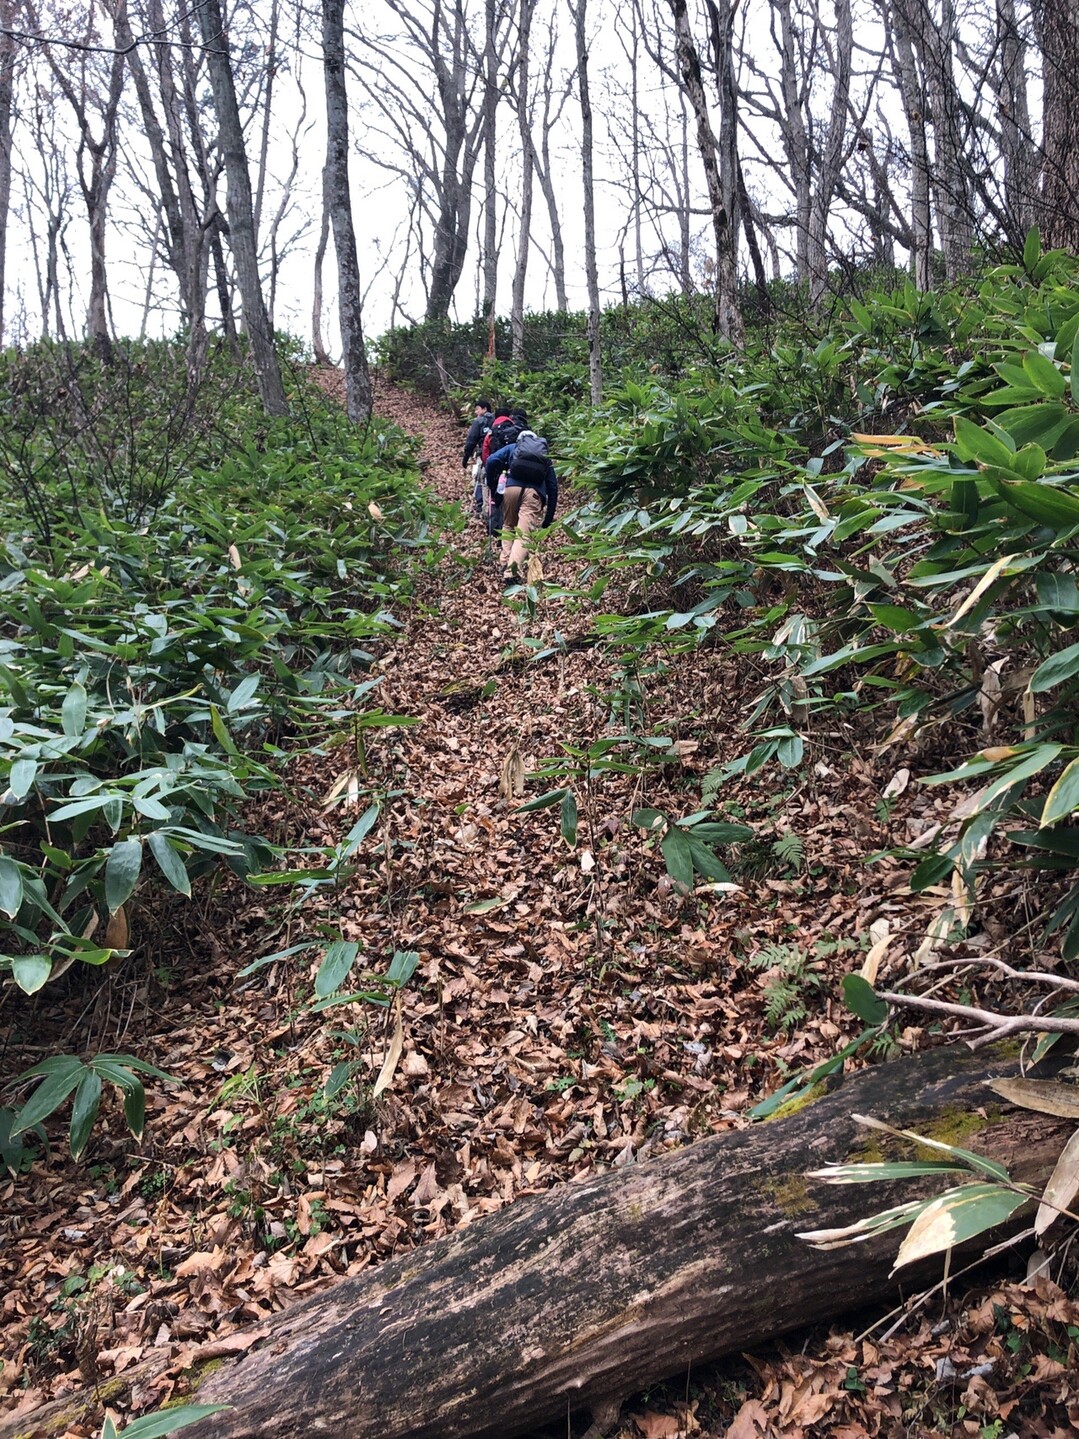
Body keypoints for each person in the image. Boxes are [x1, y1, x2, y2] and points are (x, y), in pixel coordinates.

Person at [485, 427, 558, 586]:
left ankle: (505, 561)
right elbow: (552, 486)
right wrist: (549, 517)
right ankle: (511, 571)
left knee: (509, 524)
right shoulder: (544, 456)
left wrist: (491, 484)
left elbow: (491, 460)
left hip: (511, 489)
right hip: (534, 494)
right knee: (524, 533)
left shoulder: (513, 448)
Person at [462, 399, 494, 523]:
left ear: (485, 409)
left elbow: (471, 440)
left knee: (480, 480)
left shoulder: (479, 422)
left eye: (477, 409)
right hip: (498, 456)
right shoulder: (496, 421)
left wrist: (466, 457)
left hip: (484, 455)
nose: (476, 412)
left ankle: (482, 507)